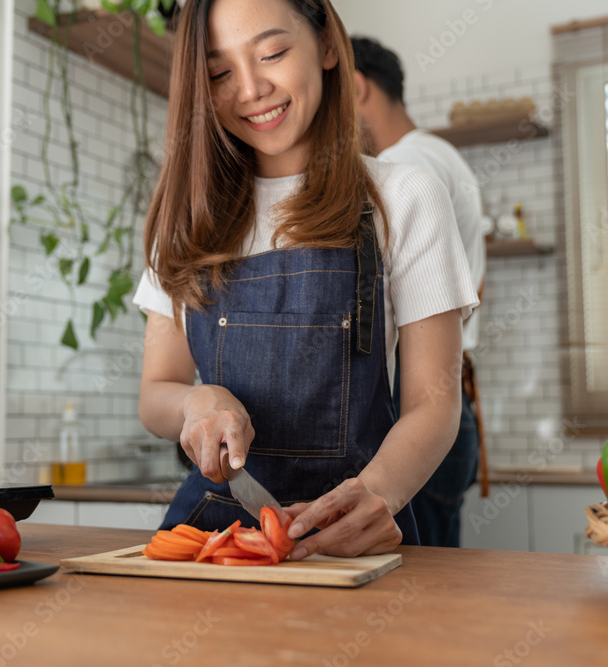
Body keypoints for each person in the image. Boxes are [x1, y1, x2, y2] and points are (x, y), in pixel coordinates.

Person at [133, 0, 478, 559]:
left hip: (353, 536)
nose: (249, 89)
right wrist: (198, 402)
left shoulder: (403, 196)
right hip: (214, 543)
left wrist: (377, 493)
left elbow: (434, 403)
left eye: (271, 53)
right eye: (220, 73)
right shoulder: (184, 217)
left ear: (326, 47)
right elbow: (156, 392)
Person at [351, 36, 486, 548]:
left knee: (415, 593)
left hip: (419, 416)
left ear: (356, 87)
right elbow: (475, 290)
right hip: (451, 403)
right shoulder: (445, 157)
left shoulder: (406, 172)